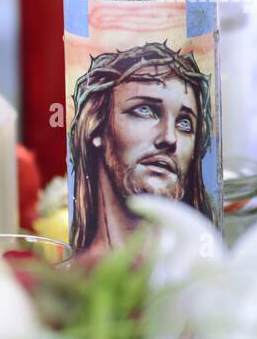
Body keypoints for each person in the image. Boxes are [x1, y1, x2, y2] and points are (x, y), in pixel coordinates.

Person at [68, 41, 214, 257]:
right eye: (145, 110)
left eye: (184, 123)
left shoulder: (203, 274)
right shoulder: (69, 274)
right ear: (95, 126)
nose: (169, 138)